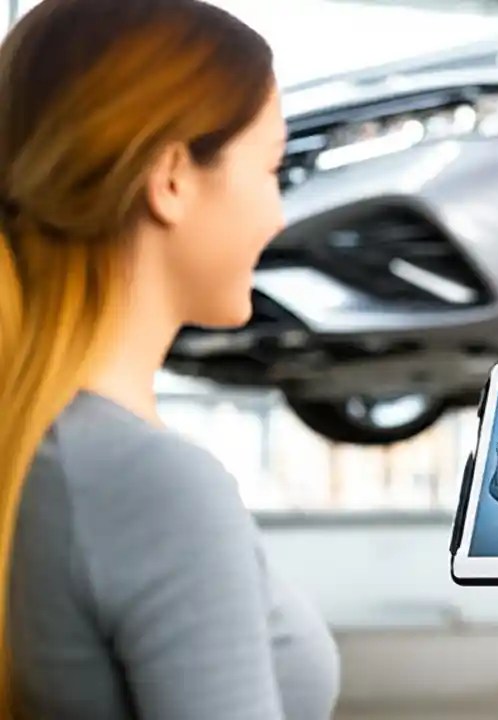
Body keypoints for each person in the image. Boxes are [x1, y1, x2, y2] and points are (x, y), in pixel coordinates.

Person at [0, 1, 340, 717]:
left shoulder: (41, 443)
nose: (279, 215)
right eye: (273, 169)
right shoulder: (150, 484)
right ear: (172, 178)